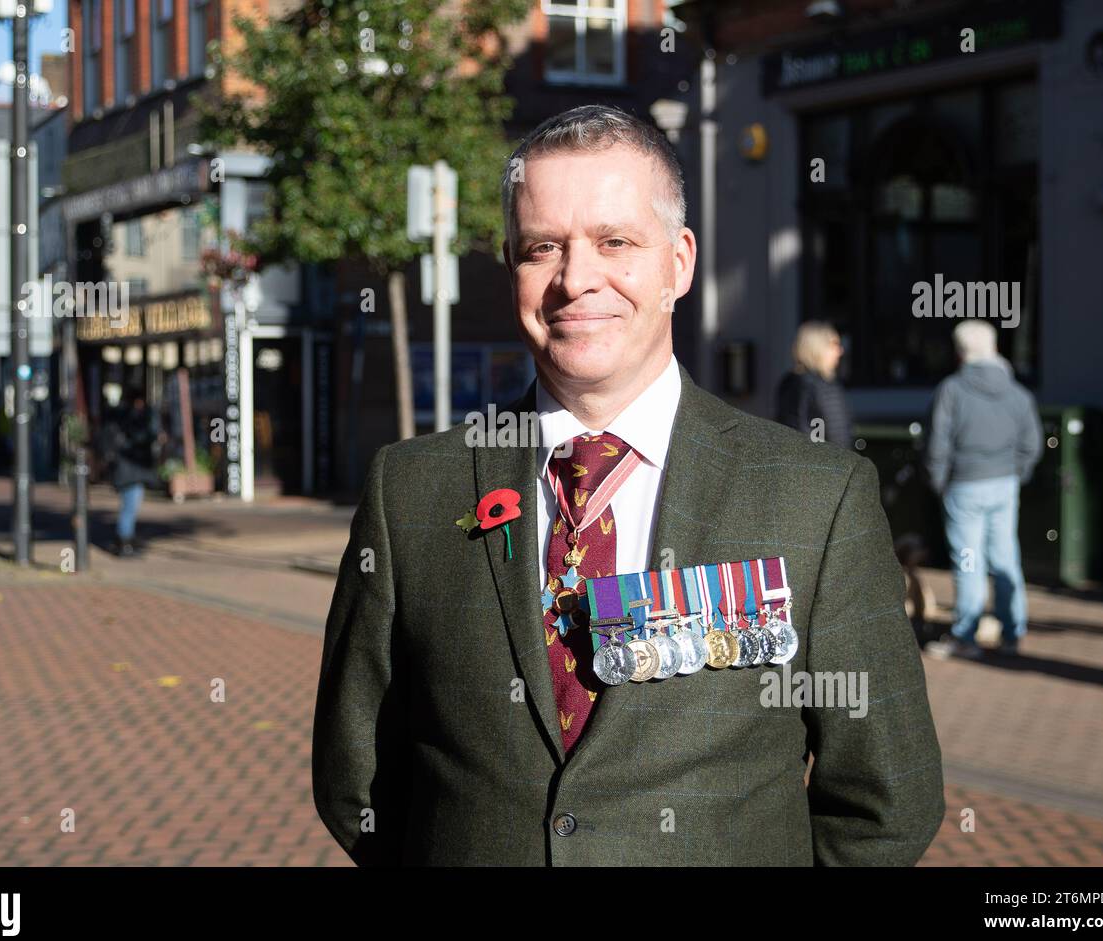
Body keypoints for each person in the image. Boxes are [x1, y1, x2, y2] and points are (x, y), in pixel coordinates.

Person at [312, 105, 944, 866]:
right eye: (544, 248)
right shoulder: (409, 491)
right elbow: (357, 779)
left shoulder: (818, 497)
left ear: (679, 262)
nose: (578, 280)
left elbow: (887, 800)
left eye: (615, 242)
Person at [924, 320, 1042, 660]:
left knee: (968, 561)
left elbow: (937, 444)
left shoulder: (952, 389)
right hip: (1004, 484)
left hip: (964, 485)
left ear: (961, 352)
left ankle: (966, 636)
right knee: (1006, 558)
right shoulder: (1018, 393)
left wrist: (938, 481)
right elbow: (1032, 444)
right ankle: (1012, 633)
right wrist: (1016, 473)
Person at [775, 321, 853, 447]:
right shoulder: (809, 386)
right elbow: (837, 435)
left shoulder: (791, 383)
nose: (840, 351)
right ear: (817, 347)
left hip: (832, 461)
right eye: (834, 344)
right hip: (822, 462)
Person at [104, 390, 156, 557]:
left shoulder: (117, 417)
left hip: (124, 471)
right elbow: (140, 439)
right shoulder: (131, 420)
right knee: (129, 508)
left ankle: (125, 541)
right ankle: (124, 543)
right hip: (129, 472)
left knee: (128, 507)